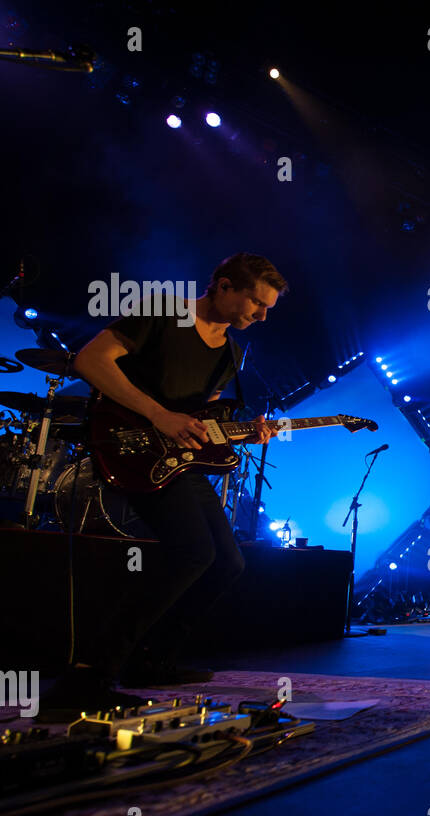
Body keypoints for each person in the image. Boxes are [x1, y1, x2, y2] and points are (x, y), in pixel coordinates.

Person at [39, 253, 287, 718]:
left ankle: (151, 661)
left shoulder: (232, 353)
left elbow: (200, 419)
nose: (262, 314)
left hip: (176, 461)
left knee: (227, 563)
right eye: (256, 301)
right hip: (127, 443)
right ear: (224, 285)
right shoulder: (163, 311)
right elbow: (90, 360)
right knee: (193, 552)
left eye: (268, 307)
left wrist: (242, 431)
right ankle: (87, 676)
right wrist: (158, 414)